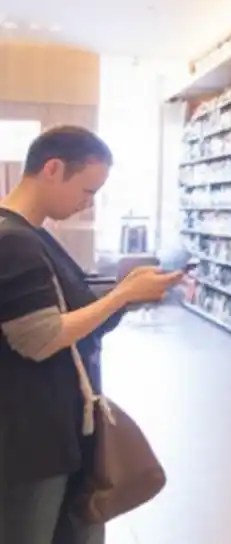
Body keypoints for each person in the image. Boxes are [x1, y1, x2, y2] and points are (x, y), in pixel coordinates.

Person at [0, 127, 182, 544]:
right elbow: (41, 337)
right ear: (53, 168)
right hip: (33, 441)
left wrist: (128, 290)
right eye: (87, 190)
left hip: (57, 429)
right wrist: (121, 296)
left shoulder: (34, 236)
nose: (88, 203)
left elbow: (68, 307)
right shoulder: (14, 243)